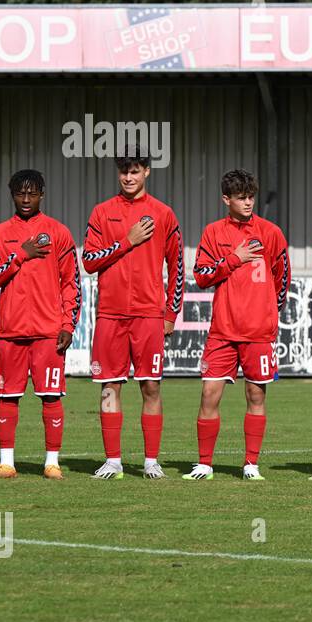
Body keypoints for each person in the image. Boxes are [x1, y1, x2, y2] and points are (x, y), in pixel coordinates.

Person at [82, 156, 184, 480]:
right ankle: (113, 461)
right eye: (124, 171)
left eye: (135, 171)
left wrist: (170, 313)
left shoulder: (164, 213)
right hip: (111, 314)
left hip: (148, 315)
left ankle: (151, 461)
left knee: (151, 386)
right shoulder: (101, 212)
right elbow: (89, 260)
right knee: (109, 387)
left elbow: (177, 265)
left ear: (147, 172)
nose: (128, 177)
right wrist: (128, 241)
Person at [186, 170, 289, 481]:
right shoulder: (213, 232)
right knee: (209, 395)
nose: (248, 202)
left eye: (251, 196)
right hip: (223, 331)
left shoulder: (271, 233)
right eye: (241, 197)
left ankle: (251, 464)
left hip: (259, 331)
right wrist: (234, 258)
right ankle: (205, 464)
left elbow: (282, 280)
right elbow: (202, 276)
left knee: (256, 396)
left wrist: (269, 313)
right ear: (226, 199)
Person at [0, 169, 81, 480]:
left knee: (51, 396)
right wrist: (19, 255)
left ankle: (52, 463)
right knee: (7, 396)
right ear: (11, 194)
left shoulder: (58, 232)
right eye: (20, 193)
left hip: (49, 332)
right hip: (11, 331)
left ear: (42, 194)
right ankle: (6, 463)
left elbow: (71, 283)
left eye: (32, 193)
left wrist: (68, 324)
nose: (26, 199)